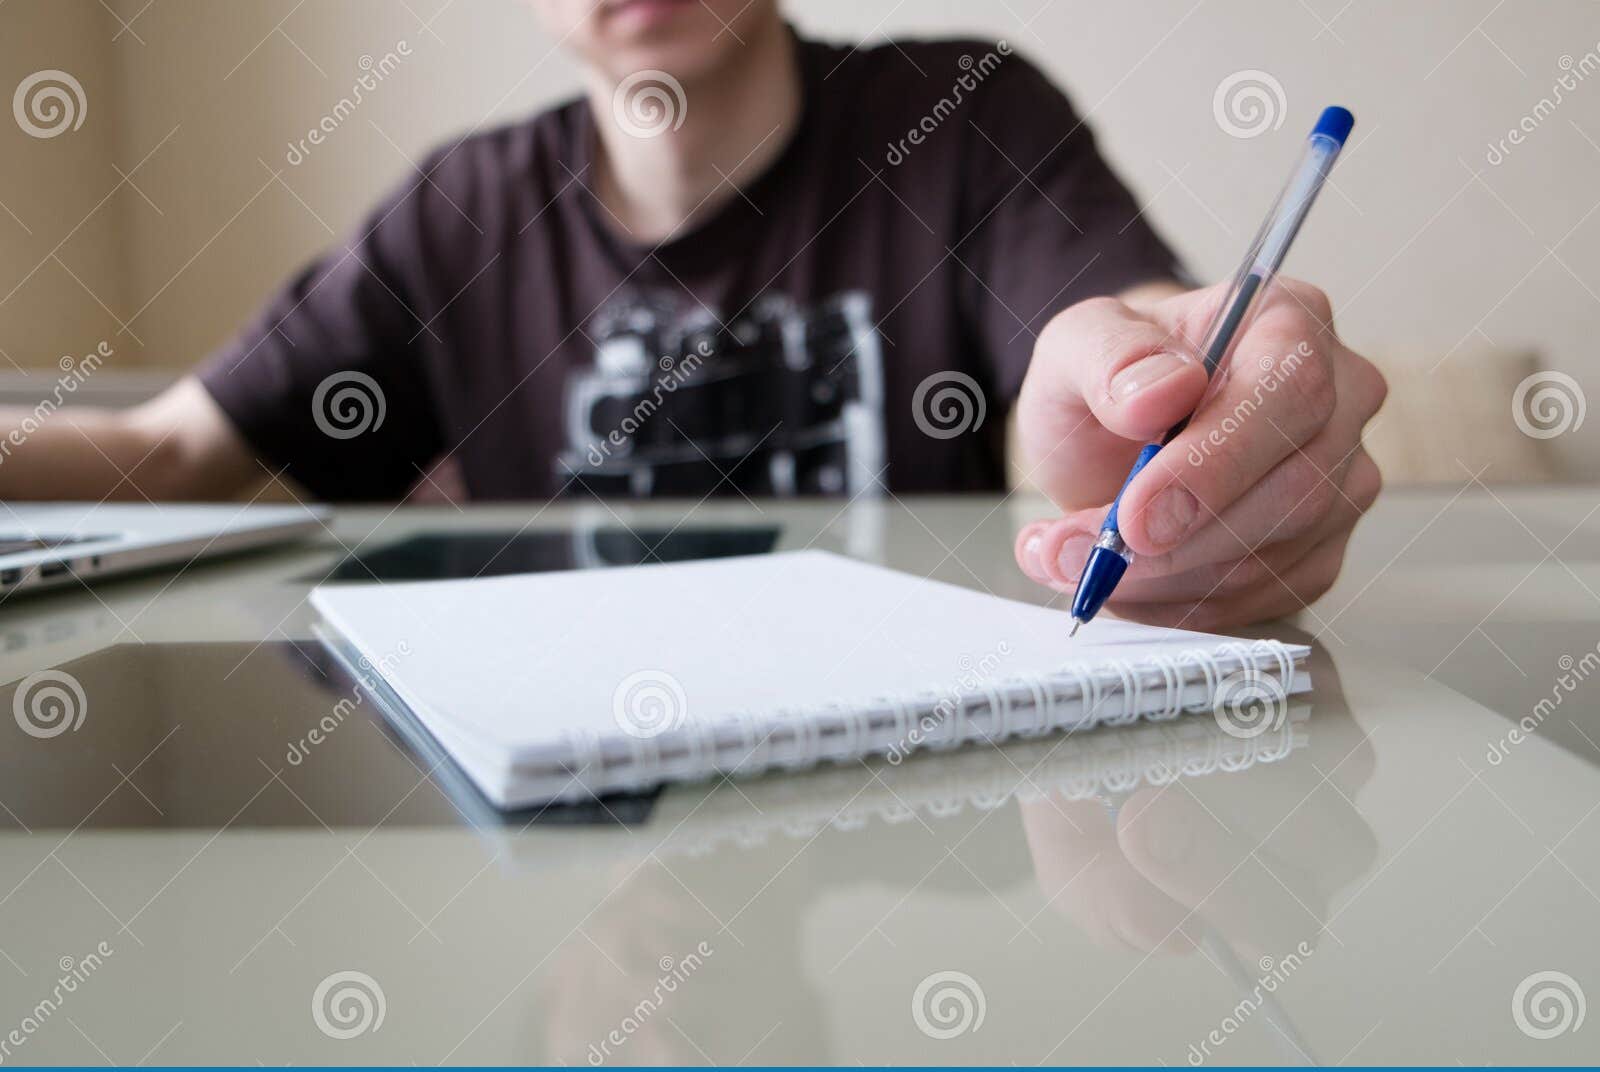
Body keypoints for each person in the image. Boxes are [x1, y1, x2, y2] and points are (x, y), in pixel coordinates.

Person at [0, 0, 1384, 630]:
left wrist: (1175, 380)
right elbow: (171, 453)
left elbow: (1117, 327)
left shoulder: (961, 115)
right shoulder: (458, 212)